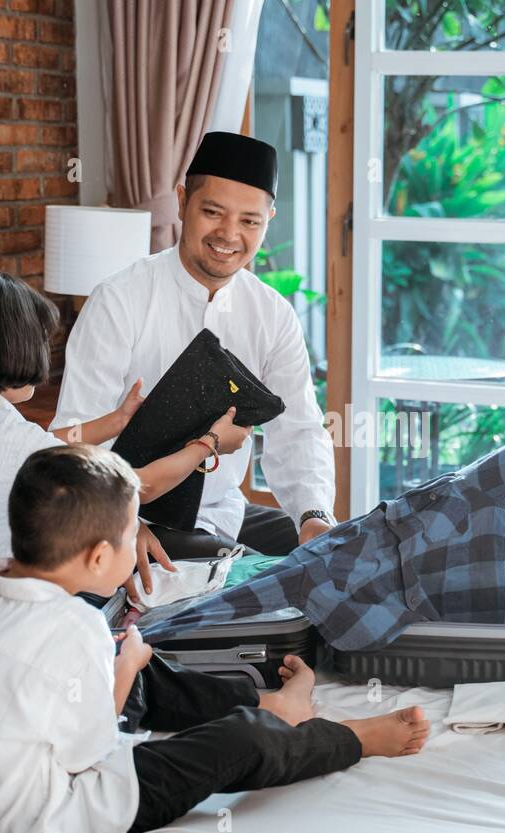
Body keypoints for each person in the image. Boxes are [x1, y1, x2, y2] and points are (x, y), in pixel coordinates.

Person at [0, 444, 430, 833]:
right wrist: (124, 671)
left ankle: (271, 702)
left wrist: (118, 668)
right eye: (133, 532)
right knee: (241, 740)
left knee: (137, 665)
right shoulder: (71, 628)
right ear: (96, 558)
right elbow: (89, 753)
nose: (140, 543)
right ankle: (352, 738)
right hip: (59, 809)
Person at [0, 270, 247, 696]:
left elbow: (47, 444)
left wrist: (114, 422)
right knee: (136, 662)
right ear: (13, 350)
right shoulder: (13, 443)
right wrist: (209, 443)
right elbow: (140, 487)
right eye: (39, 341)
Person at [51, 131, 336, 558]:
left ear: (269, 219)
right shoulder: (119, 299)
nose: (229, 234)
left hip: (225, 511)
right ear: (183, 201)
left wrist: (314, 514)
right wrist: (122, 522)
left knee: (331, 559)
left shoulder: (273, 315)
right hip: (131, 520)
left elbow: (298, 429)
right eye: (213, 212)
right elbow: (78, 441)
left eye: (249, 221)